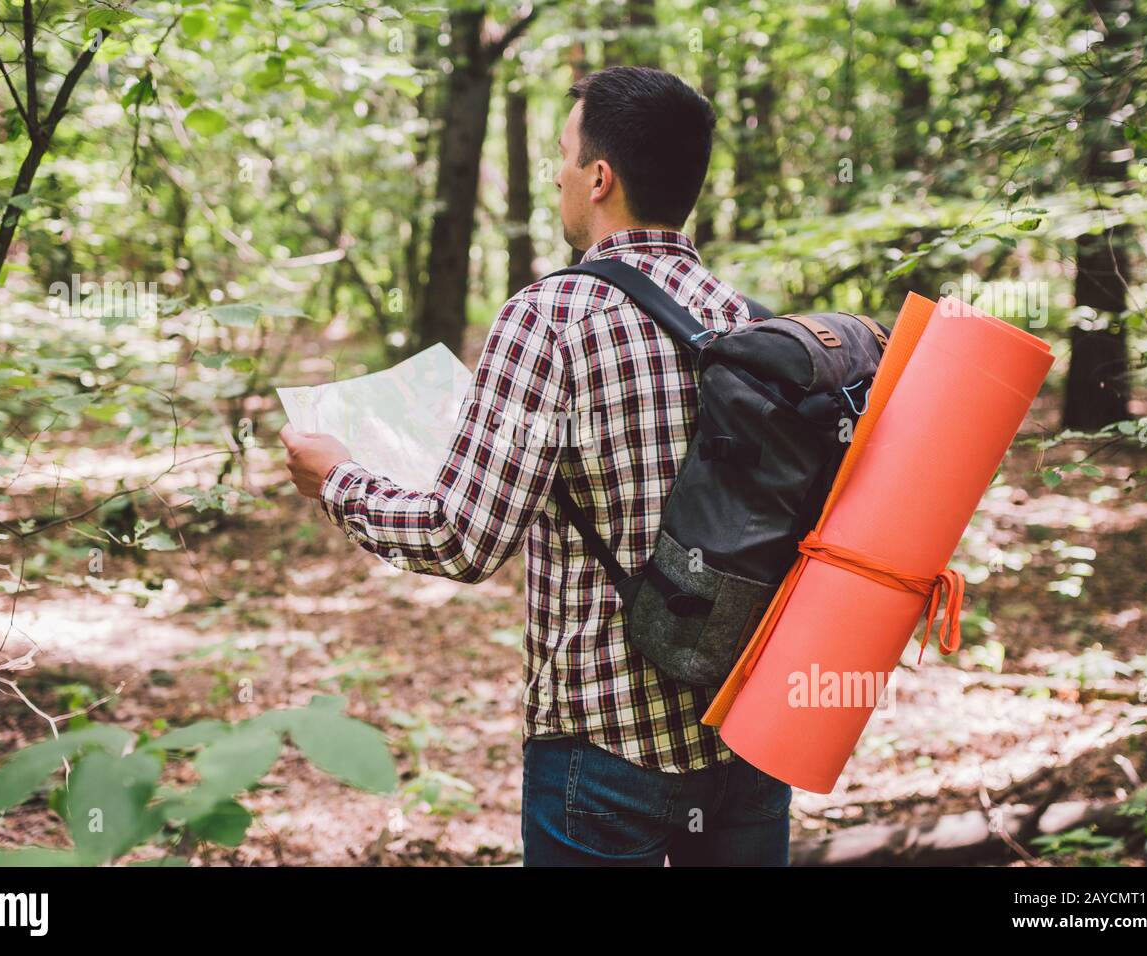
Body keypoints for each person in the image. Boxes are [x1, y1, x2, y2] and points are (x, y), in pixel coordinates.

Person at [280, 66, 792, 866]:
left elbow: (463, 538)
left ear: (599, 176)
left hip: (607, 742)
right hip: (750, 735)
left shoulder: (550, 318)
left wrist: (338, 478)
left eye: (562, 153)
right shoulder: (752, 324)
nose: (554, 172)